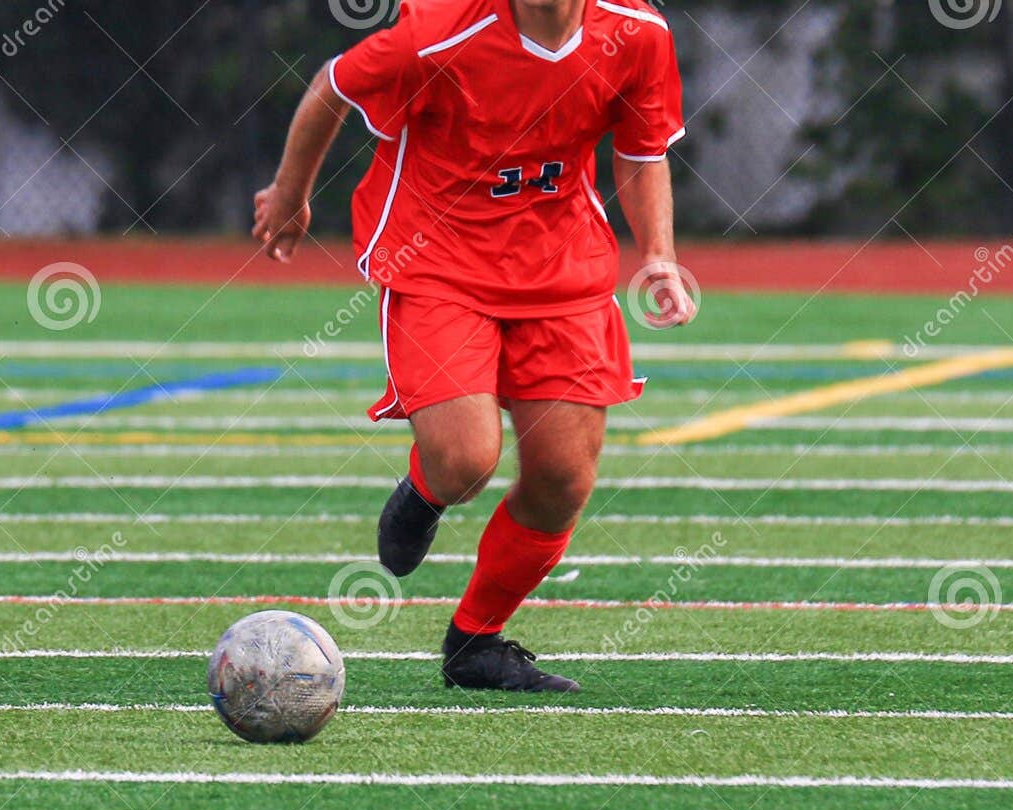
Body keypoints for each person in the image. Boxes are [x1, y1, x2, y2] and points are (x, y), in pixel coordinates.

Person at [253, 0, 695, 692]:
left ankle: (475, 643)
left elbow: (642, 153)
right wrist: (290, 194)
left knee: (563, 480)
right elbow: (331, 87)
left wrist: (660, 256)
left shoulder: (636, 34)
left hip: (562, 272)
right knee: (465, 459)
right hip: (439, 263)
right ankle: (428, 490)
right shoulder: (440, 32)